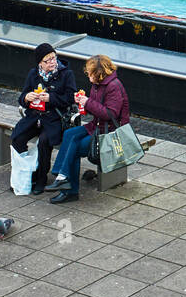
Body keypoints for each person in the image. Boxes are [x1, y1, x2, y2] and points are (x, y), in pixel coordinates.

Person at [43, 54, 130, 204]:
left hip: (109, 132)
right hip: (97, 126)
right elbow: (96, 110)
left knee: (75, 148)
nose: (88, 75)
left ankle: (69, 189)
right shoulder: (97, 84)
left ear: (99, 73)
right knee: (70, 134)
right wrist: (82, 103)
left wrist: (88, 102)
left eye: (90, 72)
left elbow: (110, 114)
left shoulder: (113, 86)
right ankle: (61, 176)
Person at [10, 43, 77, 195]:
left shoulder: (66, 74)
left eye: (54, 58)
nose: (52, 62)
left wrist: (51, 98)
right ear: (40, 63)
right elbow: (22, 98)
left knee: (44, 142)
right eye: (48, 60)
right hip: (34, 117)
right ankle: (27, 172)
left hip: (55, 119)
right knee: (17, 139)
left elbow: (70, 98)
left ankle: (41, 178)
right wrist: (27, 97)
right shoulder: (33, 74)